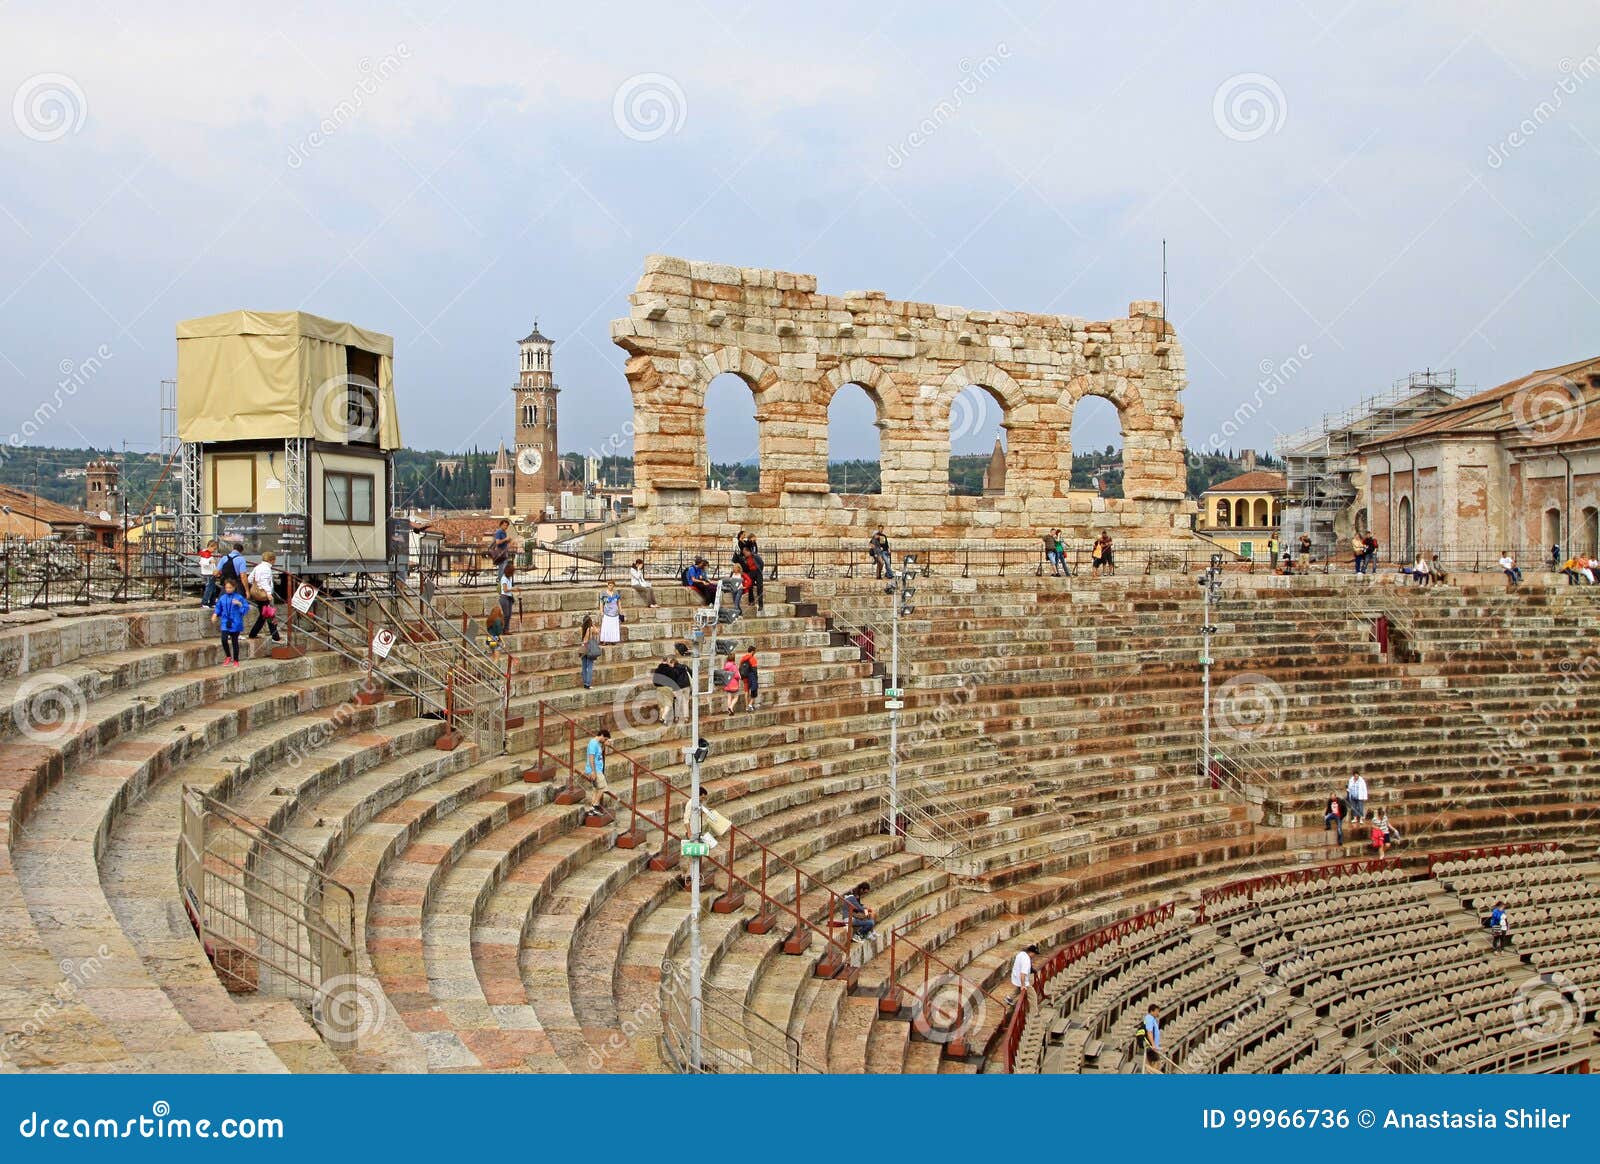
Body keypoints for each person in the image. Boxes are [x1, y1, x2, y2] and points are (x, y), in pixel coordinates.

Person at [212, 577, 248, 666]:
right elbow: (218, 608)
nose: (228, 589)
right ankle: (228, 656)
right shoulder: (222, 597)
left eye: (230, 588)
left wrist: (239, 604)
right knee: (224, 639)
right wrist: (215, 615)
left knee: (234, 641)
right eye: (227, 588)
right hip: (225, 621)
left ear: (234, 588)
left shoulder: (239, 597)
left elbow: (245, 608)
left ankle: (236, 660)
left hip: (236, 622)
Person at [246, 551, 280, 642]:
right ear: (271, 560)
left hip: (257, 594)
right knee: (268, 614)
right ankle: (275, 636)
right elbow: (265, 582)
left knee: (264, 615)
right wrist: (268, 593)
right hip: (264, 595)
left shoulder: (258, 567)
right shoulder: (266, 569)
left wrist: (256, 584)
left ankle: (254, 633)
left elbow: (249, 579)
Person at [583, 728, 611, 816]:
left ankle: (592, 809)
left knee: (596, 789)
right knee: (603, 787)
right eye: (605, 739)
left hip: (597, 770)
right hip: (595, 771)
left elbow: (598, 754)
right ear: (602, 735)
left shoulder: (598, 744)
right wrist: (593, 772)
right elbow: (591, 758)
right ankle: (595, 806)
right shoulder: (593, 743)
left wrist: (604, 745)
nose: (605, 741)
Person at [652, 655, 684, 726]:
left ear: (661, 661)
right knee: (668, 705)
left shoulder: (657, 670)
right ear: (667, 661)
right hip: (667, 688)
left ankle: (664, 721)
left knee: (662, 706)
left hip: (658, 688)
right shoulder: (670, 669)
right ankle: (663, 718)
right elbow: (673, 681)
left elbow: (654, 681)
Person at [579, 614, 601, 689]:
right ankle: (588, 684)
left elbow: (583, 639)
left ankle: (585, 683)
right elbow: (598, 632)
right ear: (590, 621)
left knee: (584, 666)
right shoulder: (591, 628)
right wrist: (593, 624)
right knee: (590, 666)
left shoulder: (582, 628)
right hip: (589, 647)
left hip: (582, 647)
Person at [198, 538, 220, 609]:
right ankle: (204, 602)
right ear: (210, 546)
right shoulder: (205, 554)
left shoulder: (207, 554)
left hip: (211, 573)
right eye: (214, 548)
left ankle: (212, 602)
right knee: (209, 589)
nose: (214, 550)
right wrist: (209, 562)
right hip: (208, 574)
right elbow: (202, 563)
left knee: (213, 589)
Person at [738, 645, 760, 712]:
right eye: (755, 651)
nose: (755, 653)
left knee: (746, 691)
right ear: (752, 651)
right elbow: (754, 670)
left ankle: (747, 707)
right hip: (751, 676)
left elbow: (739, 667)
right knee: (754, 689)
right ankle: (750, 704)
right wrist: (756, 678)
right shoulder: (753, 659)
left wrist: (741, 675)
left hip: (744, 677)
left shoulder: (743, 658)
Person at [1140, 1004, 1161, 1069]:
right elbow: (1149, 1032)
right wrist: (1153, 1045)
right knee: (1156, 1063)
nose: (1158, 1013)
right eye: (1157, 1011)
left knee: (1150, 1064)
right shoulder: (1149, 1018)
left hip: (1152, 1046)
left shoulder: (1152, 1019)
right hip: (1151, 1046)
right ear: (1152, 1011)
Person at [498, 562, 516, 632]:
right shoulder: (504, 578)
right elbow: (505, 590)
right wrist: (513, 589)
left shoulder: (508, 578)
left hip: (509, 598)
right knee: (506, 615)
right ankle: (502, 629)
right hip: (504, 598)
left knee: (509, 615)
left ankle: (506, 630)